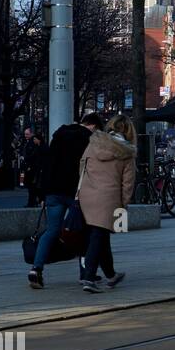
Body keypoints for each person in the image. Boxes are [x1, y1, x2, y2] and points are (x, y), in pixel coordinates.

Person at [28, 113, 102, 289]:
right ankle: (86, 273)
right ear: (93, 126)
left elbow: (48, 165)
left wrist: (43, 194)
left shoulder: (58, 136)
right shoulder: (88, 139)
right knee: (84, 231)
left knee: (52, 230)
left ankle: (36, 269)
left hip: (53, 191)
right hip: (76, 192)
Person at [77, 114, 136, 294]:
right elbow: (128, 184)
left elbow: (82, 166)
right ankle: (89, 277)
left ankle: (111, 275)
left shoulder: (94, 143)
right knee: (98, 236)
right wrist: (123, 206)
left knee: (101, 236)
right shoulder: (127, 152)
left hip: (86, 194)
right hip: (109, 198)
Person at [23, 132, 45, 207]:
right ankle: (35, 201)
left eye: (35, 139)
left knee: (34, 187)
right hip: (36, 170)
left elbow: (33, 158)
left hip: (37, 170)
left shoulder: (40, 148)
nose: (34, 140)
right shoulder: (37, 147)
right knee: (34, 187)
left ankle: (36, 201)